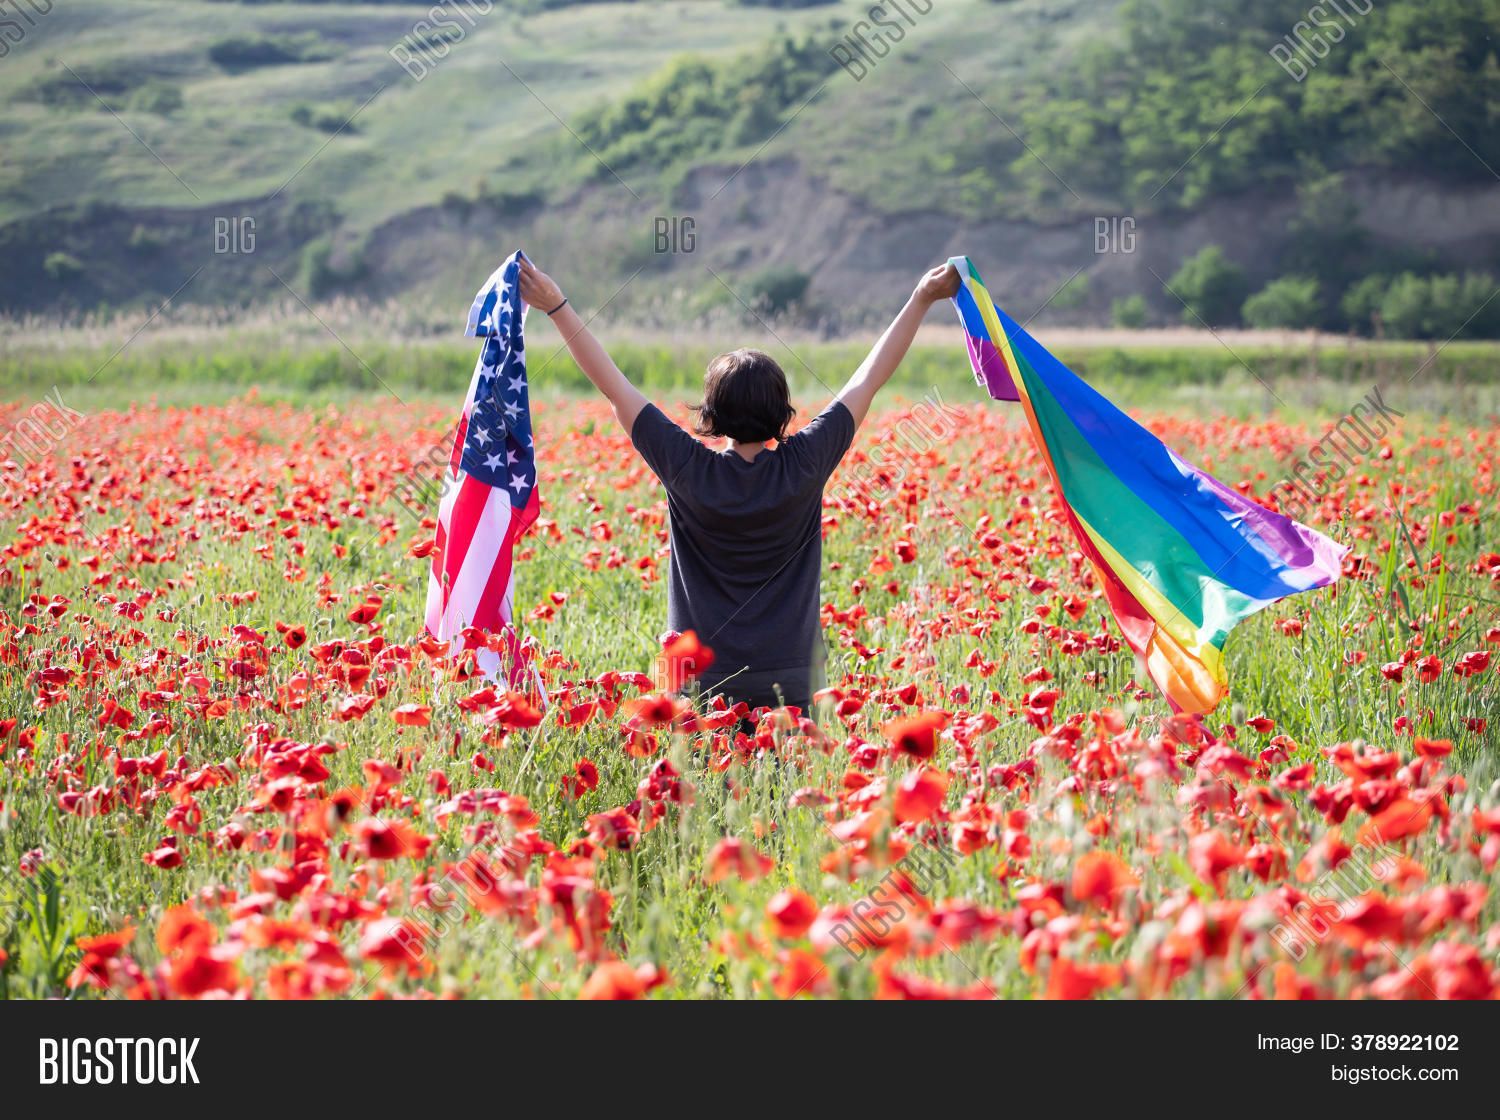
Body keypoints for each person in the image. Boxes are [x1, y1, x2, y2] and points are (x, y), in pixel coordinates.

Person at [518, 257, 961, 715]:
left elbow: (614, 387)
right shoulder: (805, 463)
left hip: (700, 683)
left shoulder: (687, 467)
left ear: (711, 413)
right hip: (794, 683)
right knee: (790, 768)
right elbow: (868, 379)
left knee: (704, 767)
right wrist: (921, 297)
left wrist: (557, 306)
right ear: (782, 413)